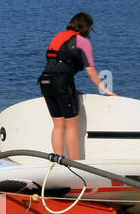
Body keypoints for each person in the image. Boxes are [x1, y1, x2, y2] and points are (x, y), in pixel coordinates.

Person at [38, 11, 114, 164]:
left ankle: (56, 162)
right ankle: (75, 164)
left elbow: (57, 63)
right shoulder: (82, 42)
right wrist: (106, 90)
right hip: (62, 83)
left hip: (45, 81)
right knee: (72, 126)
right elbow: (91, 71)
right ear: (87, 27)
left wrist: (70, 90)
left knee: (58, 124)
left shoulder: (59, 36)